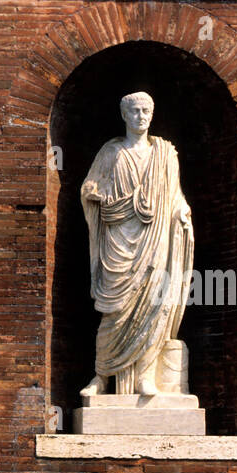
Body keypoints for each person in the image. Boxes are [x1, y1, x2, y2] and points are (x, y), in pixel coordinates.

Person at [79, 91, 194, 397]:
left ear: (152, 115)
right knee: (113, 310)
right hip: (117, 241)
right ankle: (102, 377)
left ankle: (145, 376)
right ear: (124, 115)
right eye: (135, 111)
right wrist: (93, 195)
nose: (141, 117)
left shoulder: (166, 154)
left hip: (154, 241)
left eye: (146, 111)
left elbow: (174, 195)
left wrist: (182, 211)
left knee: (153, 308)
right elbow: (90, 187)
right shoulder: (110, 152)